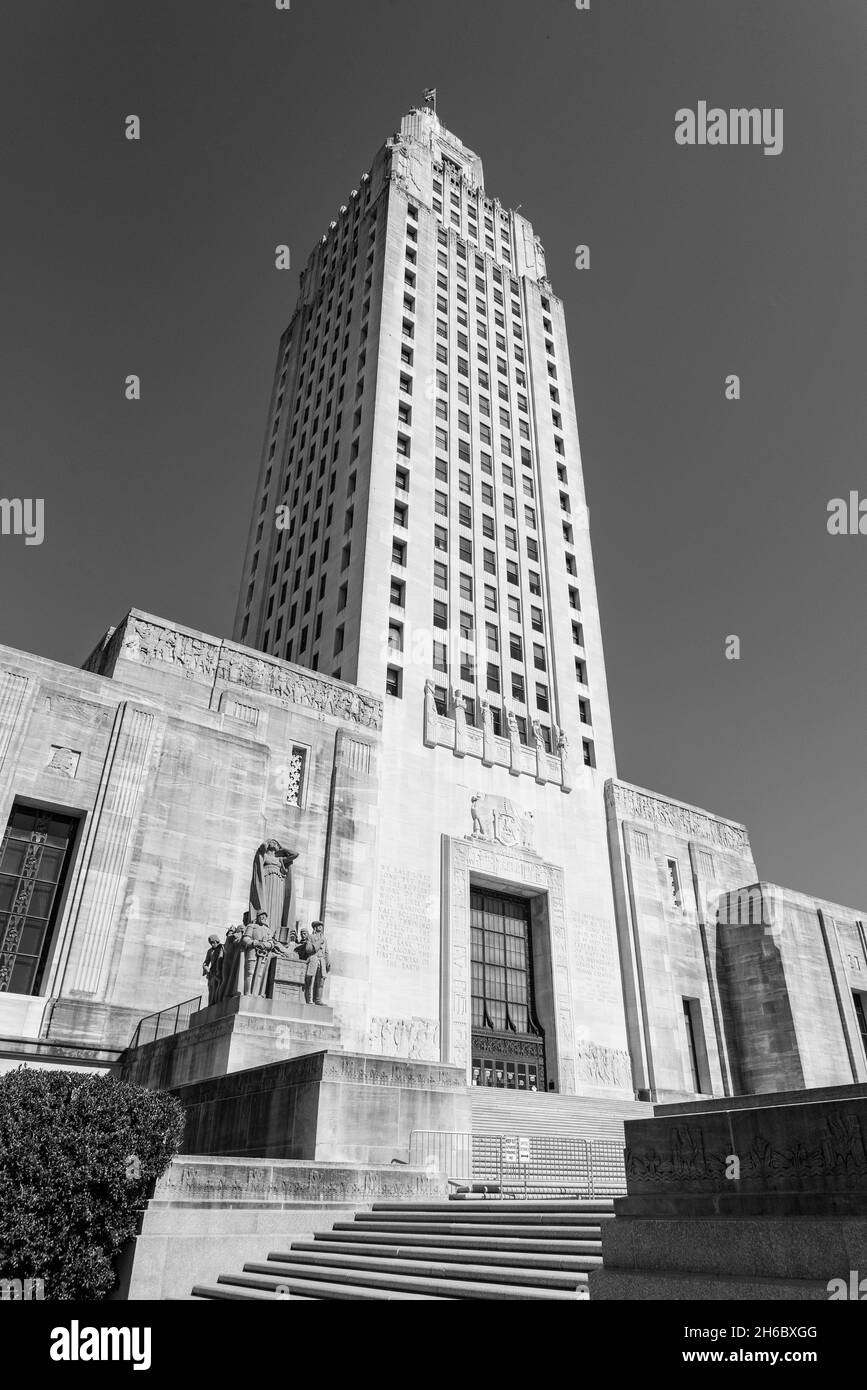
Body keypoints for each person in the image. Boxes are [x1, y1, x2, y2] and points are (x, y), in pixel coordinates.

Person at [297, 920, 331, 1004]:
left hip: (322, 960)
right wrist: (319, 942)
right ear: (315, 927)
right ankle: (309, 999)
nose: (320, 927)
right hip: (313, 959)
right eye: (318, 925)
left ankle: (318, 999)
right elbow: (308, 949)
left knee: (321, 981)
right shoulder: (310, 937)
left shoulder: (324, 938)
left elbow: (326, 951)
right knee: (311, 979)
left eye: (321, 925)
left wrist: (328, 961)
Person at [202, 934, 223, 1005]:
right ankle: (210, 1004)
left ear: (217, 941)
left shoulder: (222, 947)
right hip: (211, 972)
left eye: (213, 942)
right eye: (211, 943)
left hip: (219, 971)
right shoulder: (210, 951)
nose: (212, 944)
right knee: (211, 988)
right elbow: (206, 962)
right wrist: (206, 968)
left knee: (217, 987)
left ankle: (216, 1002)